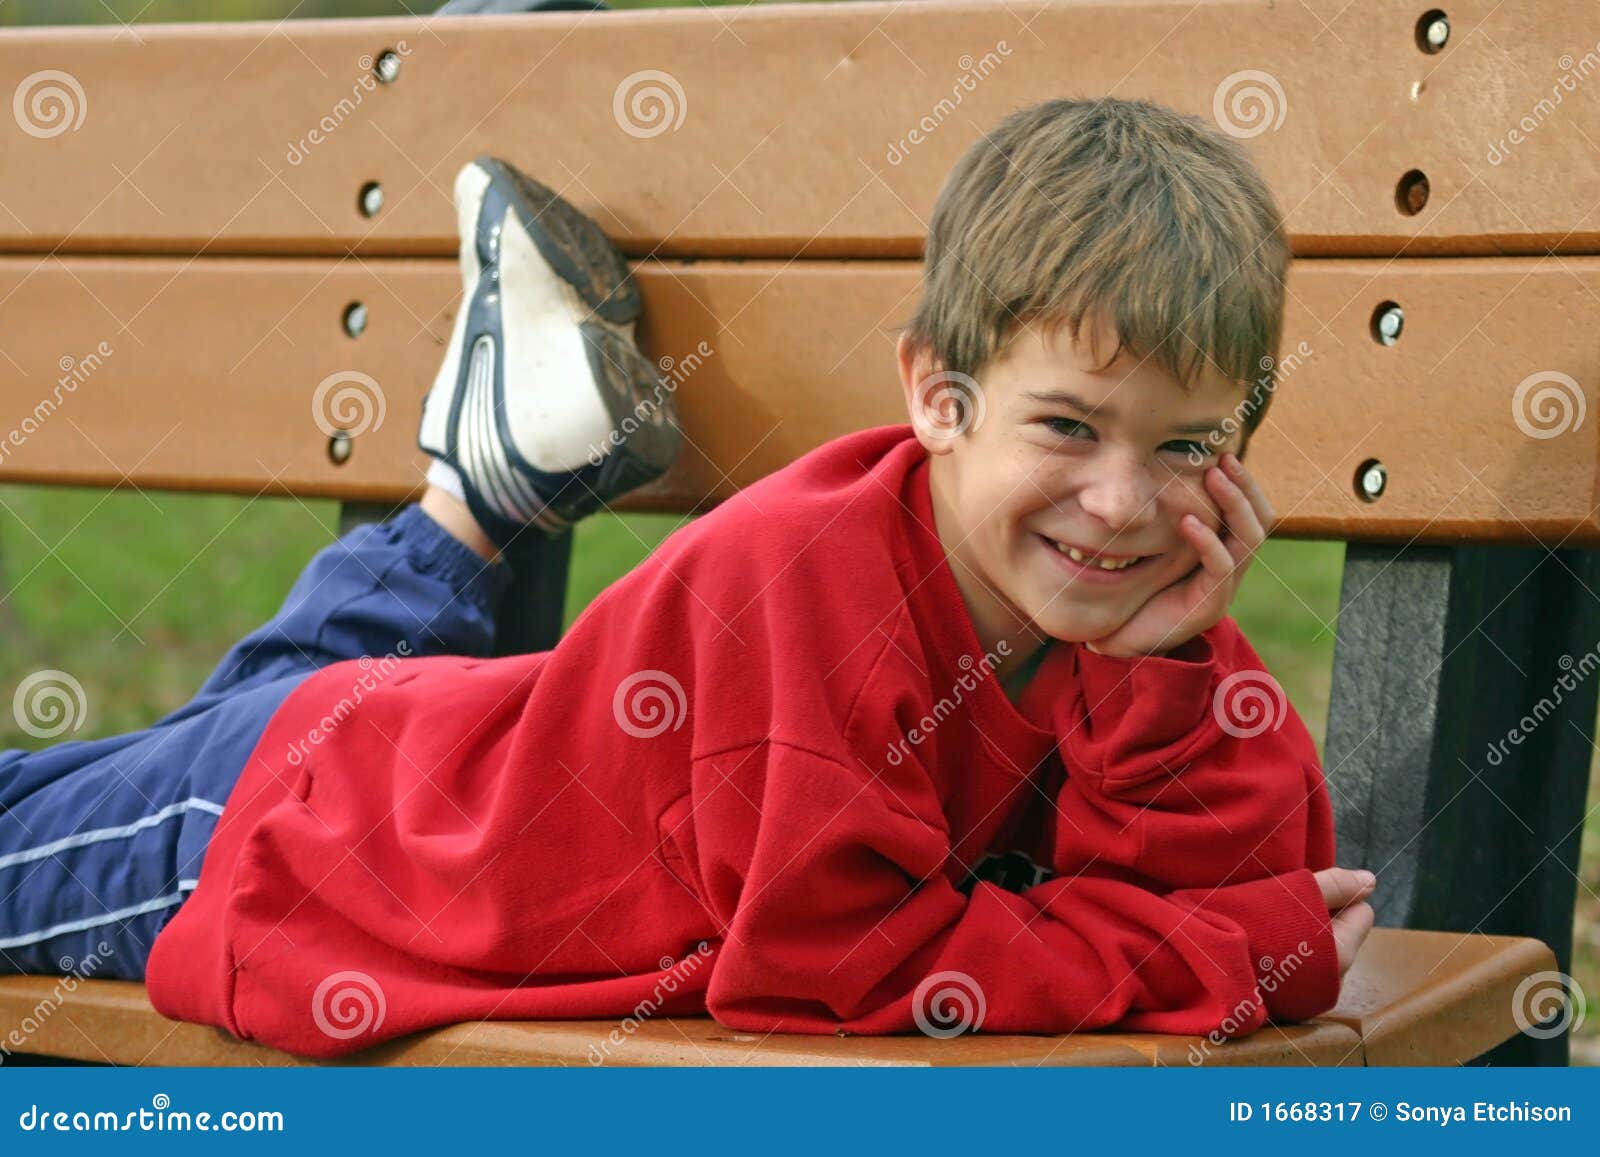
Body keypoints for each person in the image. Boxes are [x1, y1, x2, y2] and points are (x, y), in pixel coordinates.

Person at [0, 97, 1375, 1059]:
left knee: (313, 694)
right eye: (1066, 426)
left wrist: (1162, 673)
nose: (1125, 501)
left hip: (436, 735)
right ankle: (487, 479)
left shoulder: (1133, 594)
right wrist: (1222, 952)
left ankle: (484, 486)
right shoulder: (812, 583)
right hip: (301, 837)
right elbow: (844, 968)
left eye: (1186, 444)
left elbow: (1244, 897)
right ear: (934, 395)